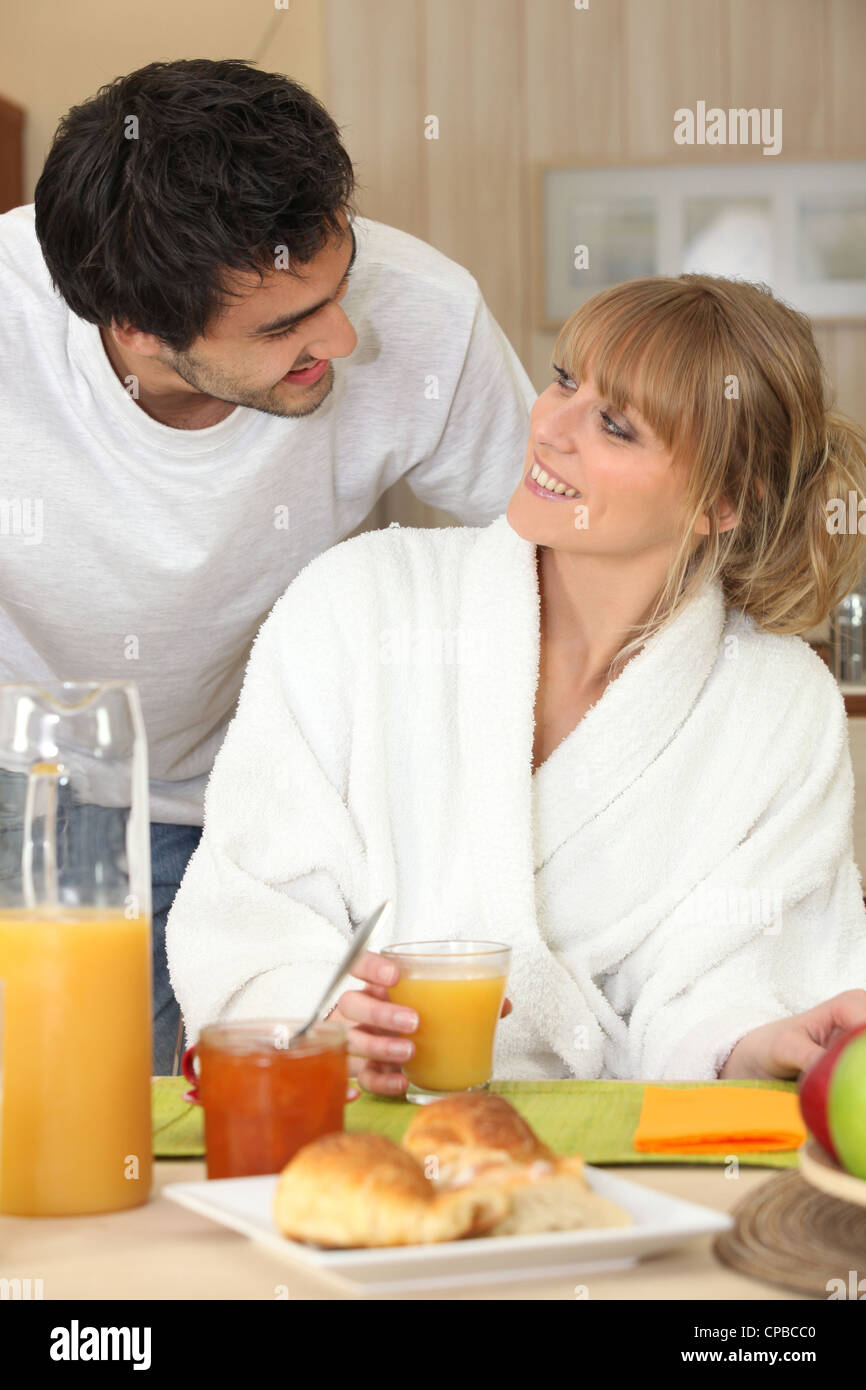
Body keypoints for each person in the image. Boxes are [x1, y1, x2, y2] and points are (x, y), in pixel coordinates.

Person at [167, 271, 866, 1088]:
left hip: (612, 1155)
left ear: (721, 504)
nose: (550, 425)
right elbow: (251, 905)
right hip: (347, 1121)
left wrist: (751, 1046)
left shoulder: (775, 703)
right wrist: (323, 1019)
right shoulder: (363, 601)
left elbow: (730, 982)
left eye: (614, 425)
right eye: (565, 379)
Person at [0, 59, 535, 1074]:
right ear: (138, 328)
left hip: (271, 787)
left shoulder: (424, 312)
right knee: (72, 1122)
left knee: (271, 1113)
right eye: (284, 326)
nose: (341, 334)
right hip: (30, 783)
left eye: (336, 284)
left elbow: (559, 550)